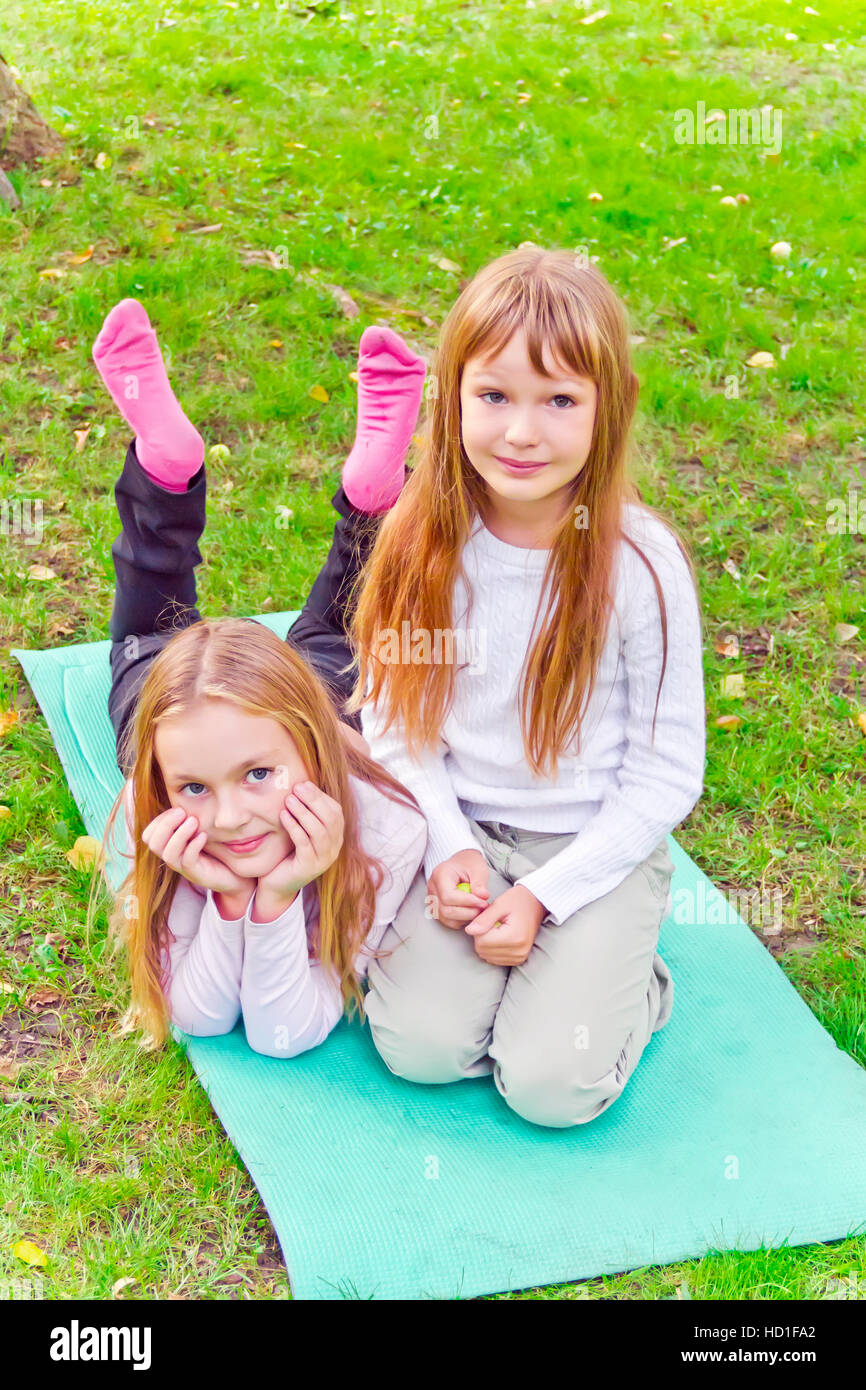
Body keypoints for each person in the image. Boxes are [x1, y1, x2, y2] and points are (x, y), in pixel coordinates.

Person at [339, 245, 707, 1129]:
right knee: (419, 1049)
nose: (521, 433)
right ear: (454, 396)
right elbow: (394, 720)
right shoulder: (423, 537)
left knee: (551, 1088)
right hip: (464, 834)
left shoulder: (640, 566)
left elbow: (665, 774)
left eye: (560, 400)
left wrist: (547, 897)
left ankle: (631, 979)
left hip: (589, 845)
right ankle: (536, 971)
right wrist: (448, 845)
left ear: (606, 408)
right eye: (494, 395)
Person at [88, 299, 429, 1057]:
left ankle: (165, 466)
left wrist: (273, 901)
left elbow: (285, 1036)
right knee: (330, 634)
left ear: (313, 742)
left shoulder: (386, 824)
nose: (235, 818)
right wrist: (236, 899)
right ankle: (373, 497)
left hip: (217, 704)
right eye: (196, 788)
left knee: (151, 636)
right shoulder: (165, 818)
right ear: (164, 782)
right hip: (249, 710)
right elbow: (200, 1014)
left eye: (259, 776)